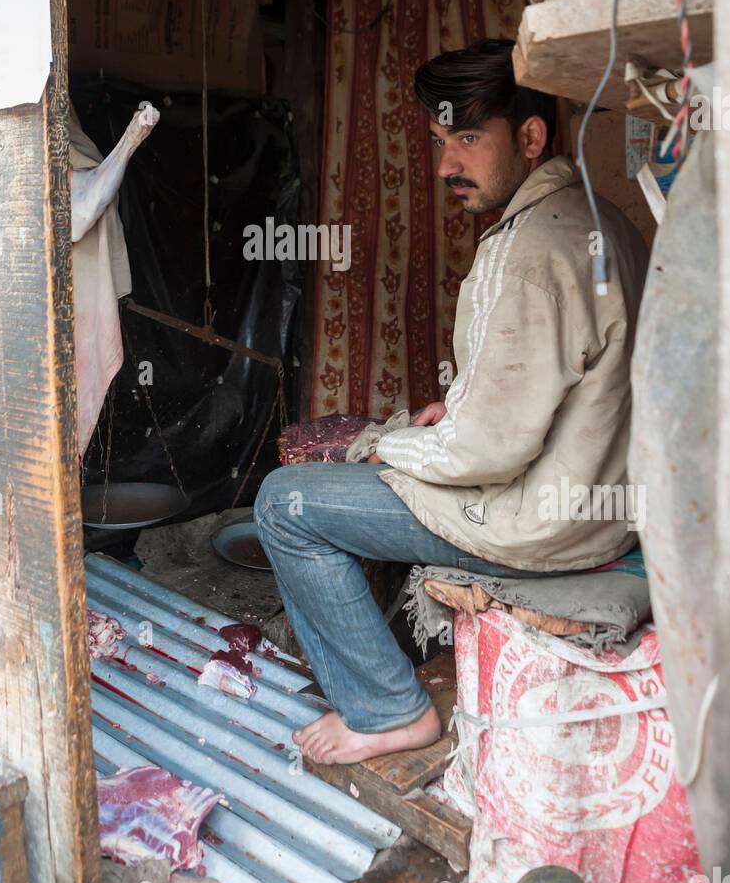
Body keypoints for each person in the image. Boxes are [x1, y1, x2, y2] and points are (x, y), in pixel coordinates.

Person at [255, 38, 649, 765]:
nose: (444, 166)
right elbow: (546, 392)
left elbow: (486, 452)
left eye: (467, 139)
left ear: (529, 137)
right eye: (440, 141)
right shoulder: (605, 221)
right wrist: (454, 417)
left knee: (286, 504)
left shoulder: (527, 248)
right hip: (604, 509)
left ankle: (387, 710)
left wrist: (385, 441)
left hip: (541, 525)